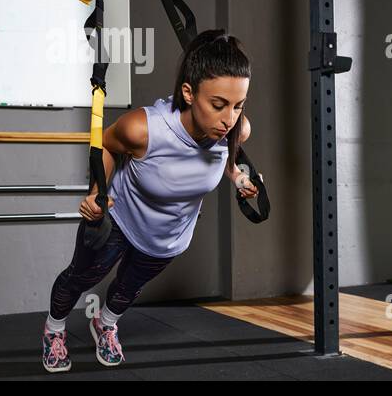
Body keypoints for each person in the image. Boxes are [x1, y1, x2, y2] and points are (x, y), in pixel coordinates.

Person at [41, 30, 257, 373]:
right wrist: (97, 191)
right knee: (80, 278)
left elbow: (226, 158)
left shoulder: (233, 130)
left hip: (168, 236)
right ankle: (54, 330)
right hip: (119, 221)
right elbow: (107, 146)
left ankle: (105, 324)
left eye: (238, 106)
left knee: (129, 287)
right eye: (218, 105)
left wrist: (240, 177)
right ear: (188, 92)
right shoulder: (144, 128)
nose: (229, 118)